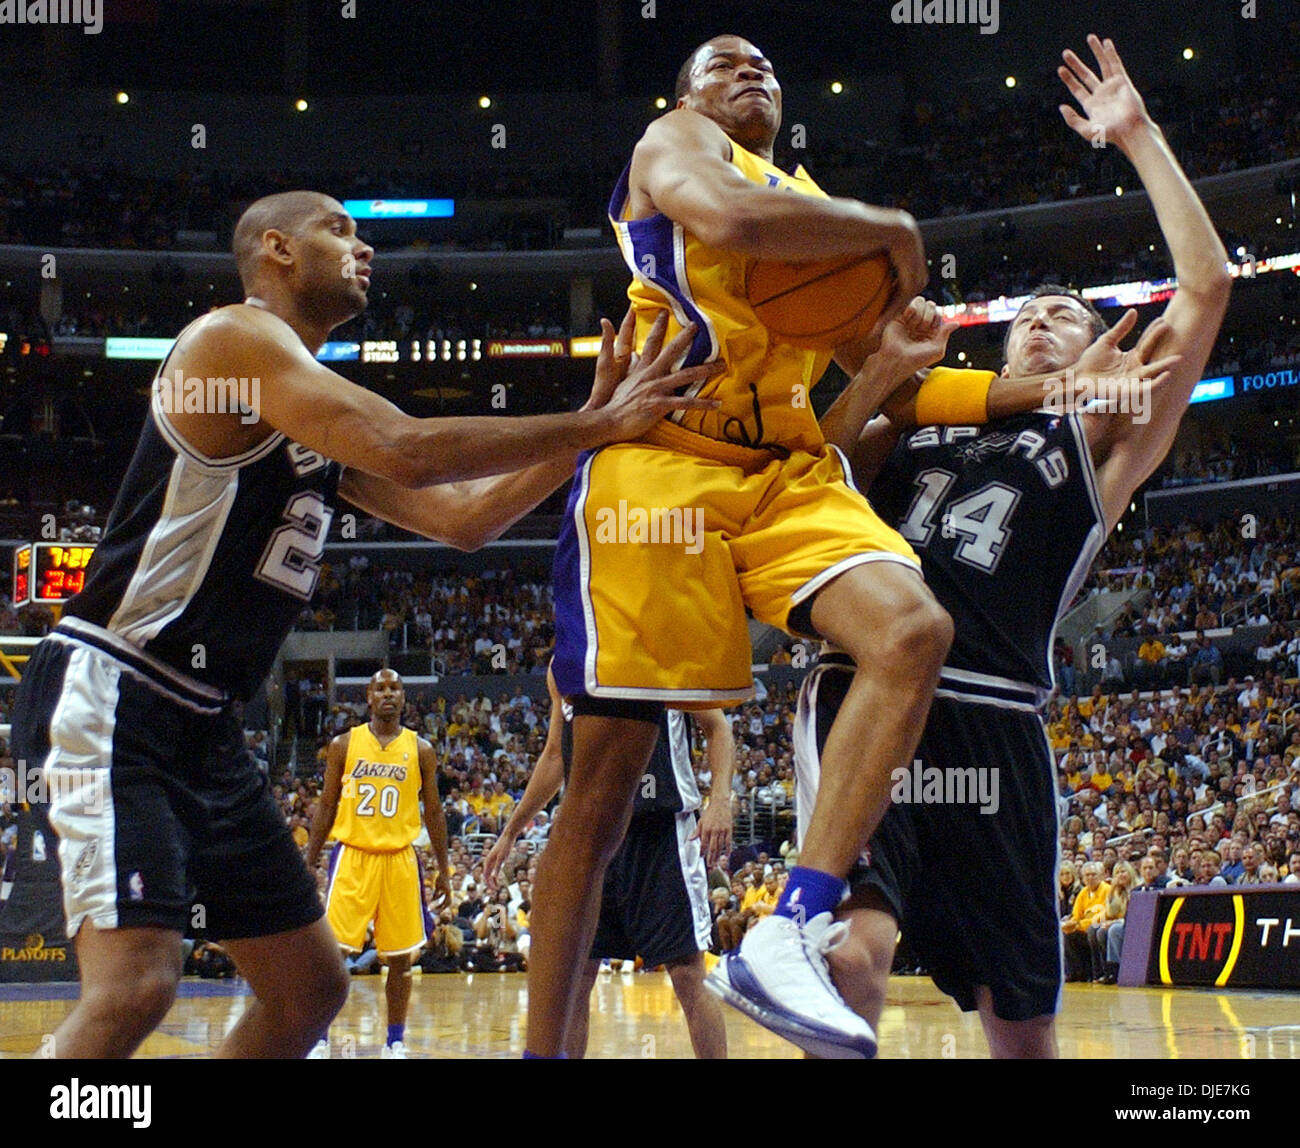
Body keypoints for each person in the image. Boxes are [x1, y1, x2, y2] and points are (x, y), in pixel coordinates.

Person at [533, 31, 1154, 1061]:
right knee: (602, 793)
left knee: (914, 625)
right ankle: (538, 1051)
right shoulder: (676, 145)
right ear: (685, 92)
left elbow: (904, 385)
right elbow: (728, 217)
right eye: (725, 63)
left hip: (784, 466)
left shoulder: (801, 193)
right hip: (664, 462)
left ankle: (788, 923)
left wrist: (1052, 387)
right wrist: (886, 226)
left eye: (767, 66)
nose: (752, 75)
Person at [5, 190, 717, 1059]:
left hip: (205, 722)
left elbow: (463, 520)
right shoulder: (234, 339)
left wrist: (589, 442)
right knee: (139, 985)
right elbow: (408, 446)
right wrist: (593, 420)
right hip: (116, 689)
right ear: (275, 248)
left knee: (309, 989)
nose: (364, 247)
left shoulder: (305, 404)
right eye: (339, 231)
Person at [792, 35, 1229, 1057]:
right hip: (871, 693)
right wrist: (877, 378)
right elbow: (806, 476)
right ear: (1002, 353)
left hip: (997, 717)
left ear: (1088, 348)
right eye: (1027, 314)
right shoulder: (917, 419)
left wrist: (1138, 136)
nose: (1041, 319)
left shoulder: (1100, 425)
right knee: (849, 955)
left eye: (1065, 312)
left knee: (1023, 1025)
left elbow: (1203, 288)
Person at [485, 665, 734, 1058]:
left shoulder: (665, 651)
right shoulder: (563, 666)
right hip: (591, 834)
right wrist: (511, 830)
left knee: (687, 973)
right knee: (577, 975)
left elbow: (717, 727)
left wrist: (720, 801)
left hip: (661, 832)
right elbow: (554, 756)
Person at [305, 669, 448, 1058]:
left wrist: (445, 870)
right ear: (368, 696)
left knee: (401, 960)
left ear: (404, 698)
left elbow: (434, 812)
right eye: (380, 688)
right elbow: (326, 807)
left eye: (395, 688)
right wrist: (310, 859)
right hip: (353, 855)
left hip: (400, 858)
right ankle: (318, 1039)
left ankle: (395, 1041)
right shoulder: (344, 744)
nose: (388, 694)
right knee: (334, 955)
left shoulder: (421, 750)